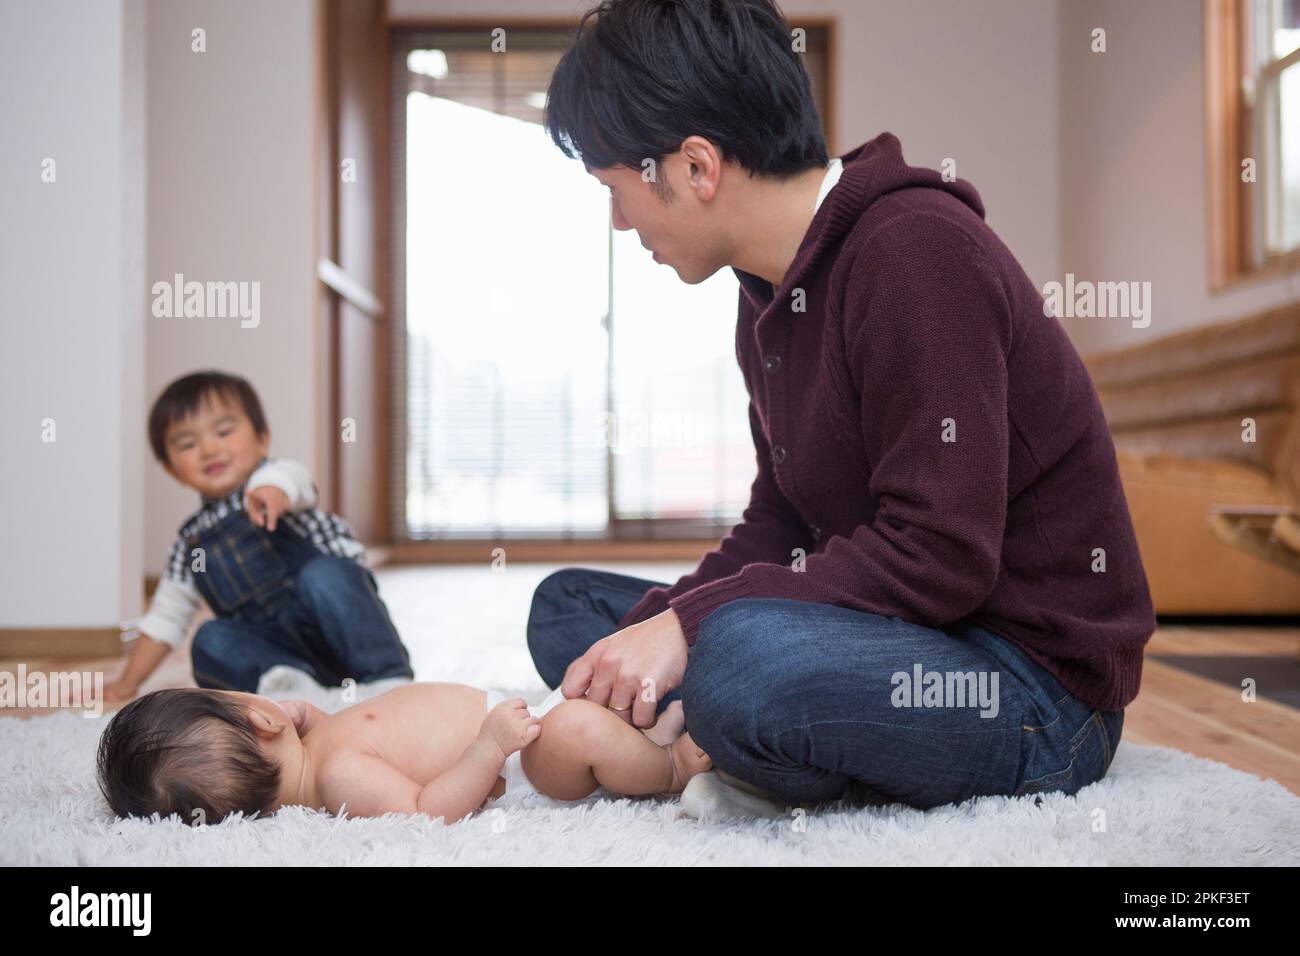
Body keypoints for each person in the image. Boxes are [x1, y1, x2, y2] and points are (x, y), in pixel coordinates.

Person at [528, 0, 1156, 810]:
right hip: (900, 633)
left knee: (739, 663)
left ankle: (707, 743)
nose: (618, 222)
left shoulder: (916, 254)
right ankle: (738, 740)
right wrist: (660, 626)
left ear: (694, 167)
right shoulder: (763, 294)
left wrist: (688, 630)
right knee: (570, 613)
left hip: (1024, 685)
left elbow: (942, 556)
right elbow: (782, 523)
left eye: (617, 190)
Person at [105, 370, 414, 700]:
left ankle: (389, 682)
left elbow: (295, 481)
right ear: (171, 468)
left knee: (325, 575)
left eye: (223, 432)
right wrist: (128, 682)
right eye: (188, 444)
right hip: (276, 654)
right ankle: (297, 695)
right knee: (210, 640)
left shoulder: (278, 481)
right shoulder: (190, 543)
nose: (209, 449)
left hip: (340, 630)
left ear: (262, 439)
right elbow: (166, 616)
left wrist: (273, 490)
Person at [95, 681, 712, 824]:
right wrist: (487, 749)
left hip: (519, 724)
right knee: (577, 727)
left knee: (591, 699)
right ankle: (668, 766)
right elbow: (426, 811)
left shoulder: (321, 750)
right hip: (526, 766)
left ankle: (640, 743)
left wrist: (324, 720)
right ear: (258, 717)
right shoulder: (339, 780)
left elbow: (385, 741)